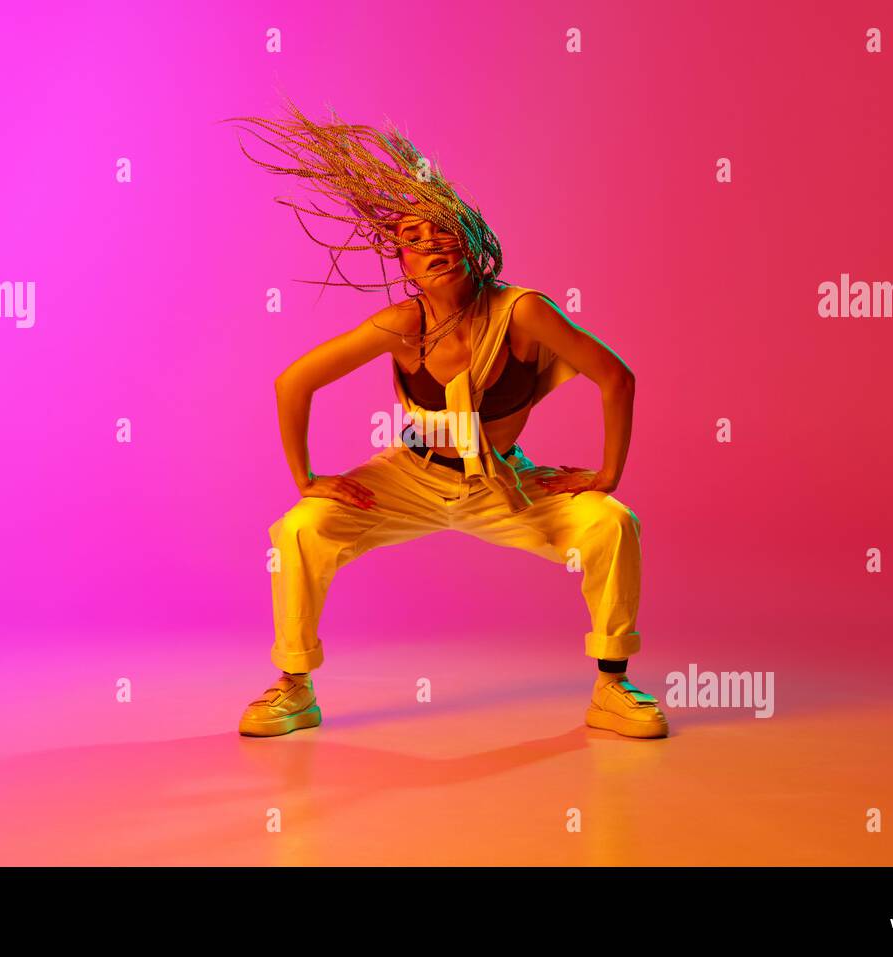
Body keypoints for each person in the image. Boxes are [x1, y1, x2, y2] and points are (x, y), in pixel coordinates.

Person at [225, 98, 668, 740]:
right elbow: (293, 382)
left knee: (611, 524)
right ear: (399, 260)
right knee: (301, 529)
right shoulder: (402, 325)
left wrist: (606, 474)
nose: (431, 243)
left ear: (470, 237)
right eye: (413, 237)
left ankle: (612, 685)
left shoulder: (523, 312)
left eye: (442, 229)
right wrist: (307, 478)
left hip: (500, 485)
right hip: (410, 476)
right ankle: (294, 687)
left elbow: (616, 377)